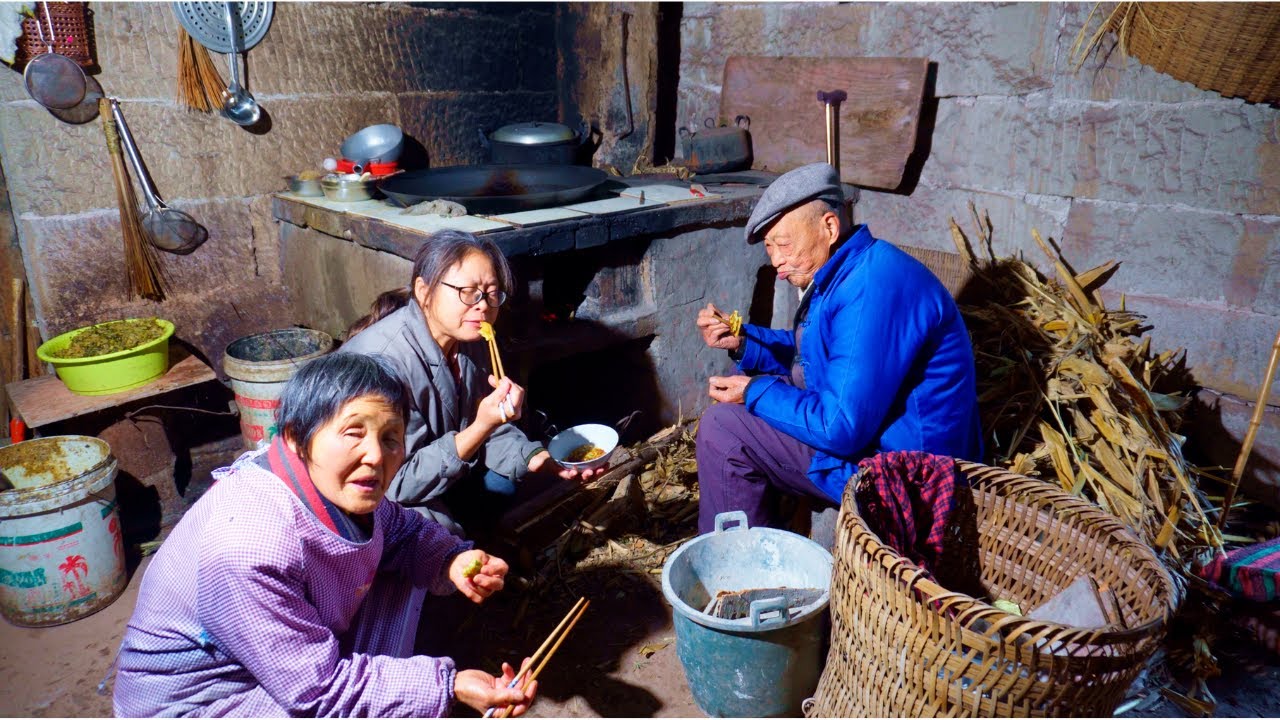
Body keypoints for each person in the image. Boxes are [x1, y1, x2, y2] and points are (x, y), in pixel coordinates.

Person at [112, 353, 537, 718]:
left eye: (391, 437)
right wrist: (448, 685)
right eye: (353, 433)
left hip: (265, 667)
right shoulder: (249, 547)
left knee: (401, 571)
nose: (376, 455)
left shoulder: (328, 483)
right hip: (199, 702)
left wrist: (451, 560)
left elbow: (401, 529)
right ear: (296, 437)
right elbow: (318, 691)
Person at [694, 162, 982, 534]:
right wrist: (746, 343)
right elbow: (820, 354)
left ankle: (737, 562)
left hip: (912, 478)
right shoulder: (847, 271)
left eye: (783, 244)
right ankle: (767, 527)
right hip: (879, 440)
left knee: (724, 428)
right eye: (769, 248)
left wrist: (754, 392)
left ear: (829, 227)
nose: (776, 261)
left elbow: (839, 427)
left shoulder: (869, 288)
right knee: (746, 376)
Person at [341, 230, 603, 539]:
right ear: (424, 291)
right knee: (434, 531)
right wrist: (481, 426)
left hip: (436, 474)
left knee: (508, 482)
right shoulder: (382, 363)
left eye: (492, 293)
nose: (483, 306)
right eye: (468, 292)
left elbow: (491, 429)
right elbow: (396, 483)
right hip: (374, 497)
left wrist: (541, 460)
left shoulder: (471, 340)